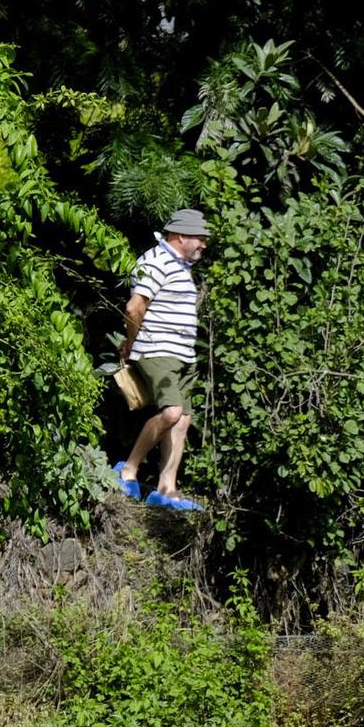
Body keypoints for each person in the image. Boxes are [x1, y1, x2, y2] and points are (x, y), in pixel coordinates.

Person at [115, 207, 210, 512]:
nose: (204, 244)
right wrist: (131, 343)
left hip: (180, 355)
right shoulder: (155, 261)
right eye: (200, 238)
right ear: (181, 235)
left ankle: (167, 490)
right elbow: (134, 308)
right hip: (157, 350)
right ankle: (128, 469)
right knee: (171, 413)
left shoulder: (178, 265)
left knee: (182, 420)